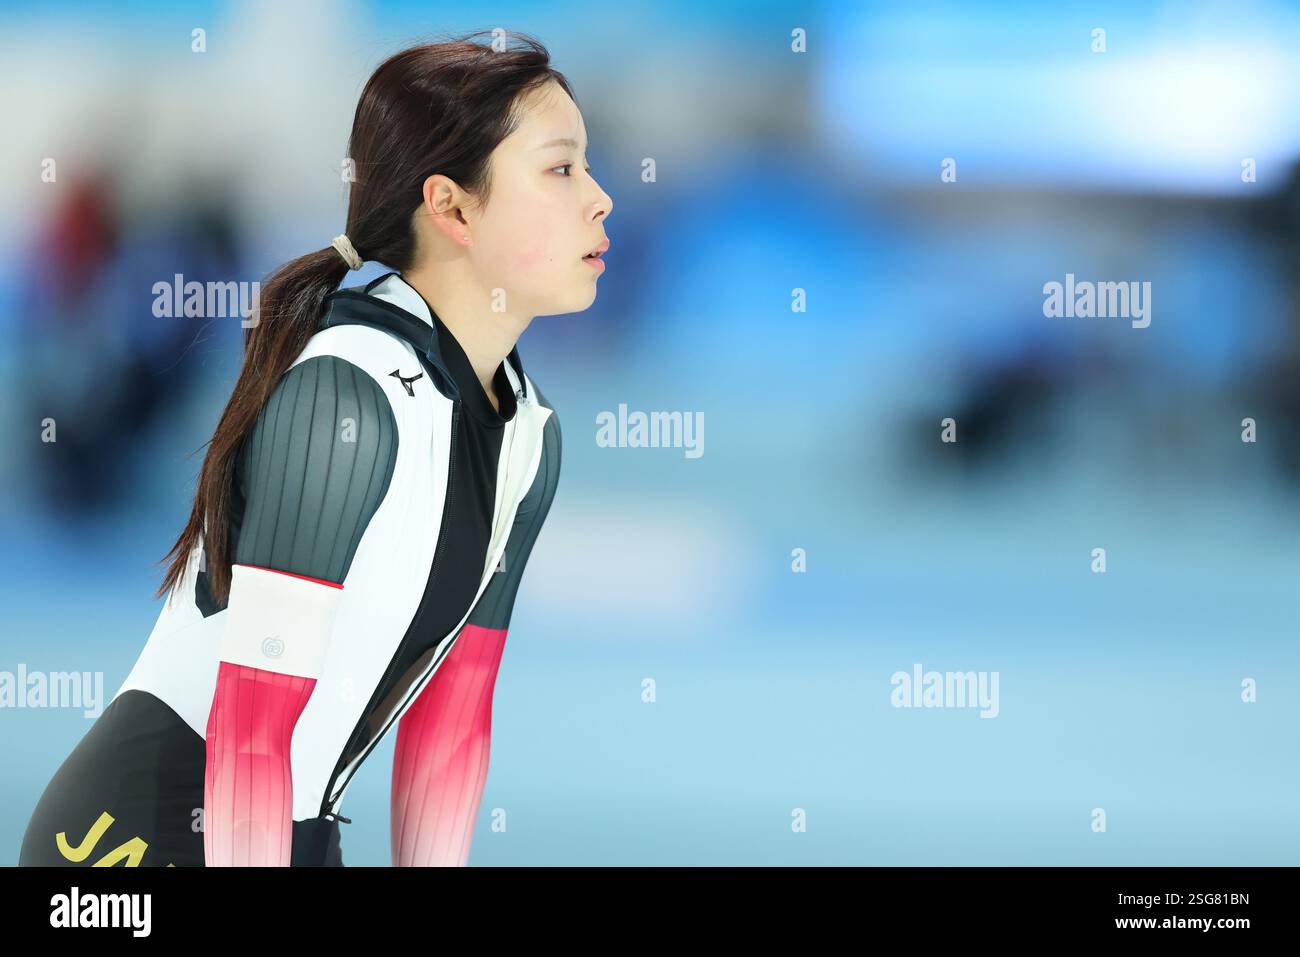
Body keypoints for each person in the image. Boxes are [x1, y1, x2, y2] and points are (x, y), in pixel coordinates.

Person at [18, 30, 612, 867]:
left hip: (290, 828)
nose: (601, 198)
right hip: (131, 842)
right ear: (452, 207)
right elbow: (251, 730)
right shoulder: (348, 396)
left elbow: (451, 723)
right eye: (561, 169)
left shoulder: (528, 434)